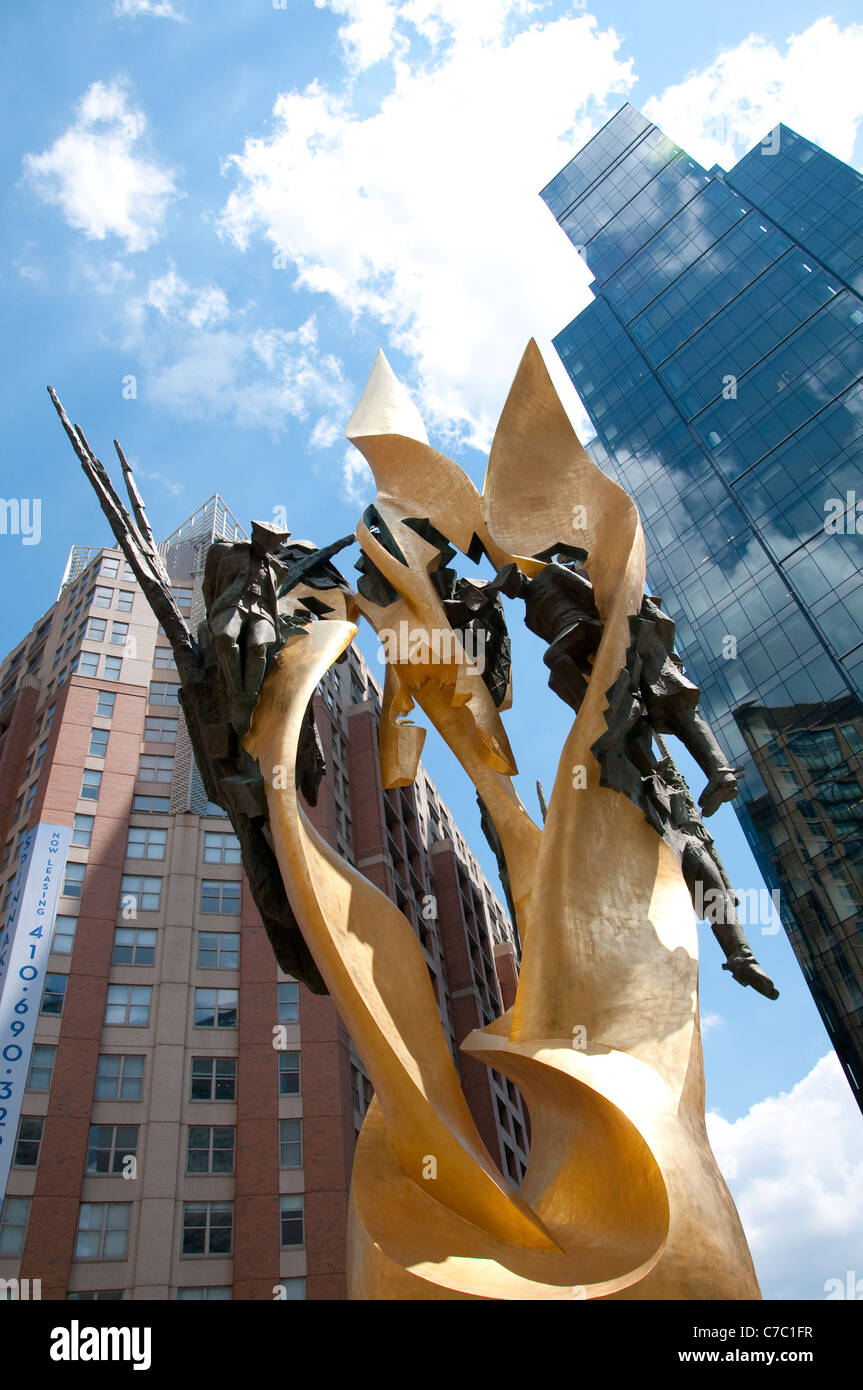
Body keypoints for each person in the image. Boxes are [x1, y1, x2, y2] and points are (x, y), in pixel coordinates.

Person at [203, 520, 291, 735]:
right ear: (255, 536)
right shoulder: (224, 550)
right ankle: (236, 696)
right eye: (267, 541)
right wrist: (211, 613)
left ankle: (249, 699)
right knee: (225, 636)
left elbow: (273, 597)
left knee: (258, 645)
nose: (270, 547)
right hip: (233, 603)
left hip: (261, 610)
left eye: (273, 544)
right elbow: (209, 584)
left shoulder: (276, 568)